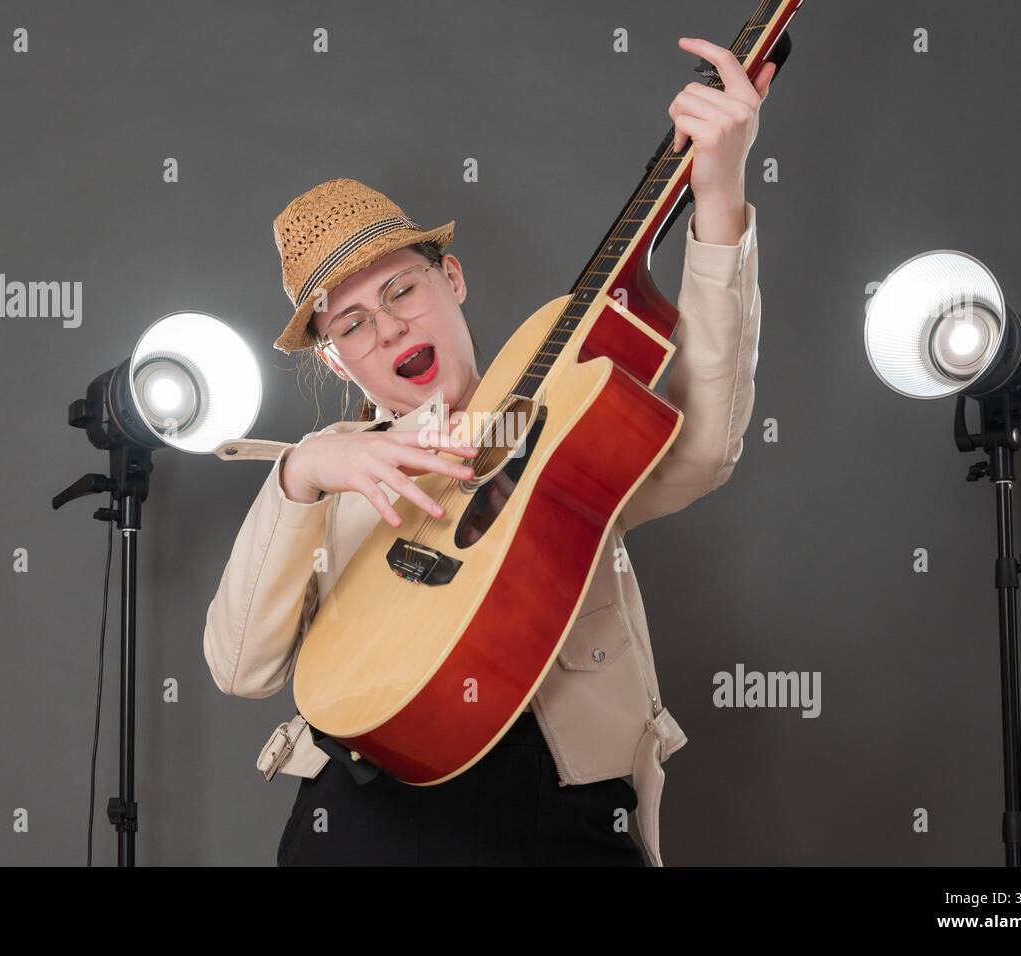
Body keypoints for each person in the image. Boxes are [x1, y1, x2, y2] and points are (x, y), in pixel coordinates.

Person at [204, 36, 773, 866]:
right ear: (334, 360)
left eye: (402, 288)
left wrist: (718, 200)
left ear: (453, 279)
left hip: (567, 805)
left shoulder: (566, 409)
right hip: (375, 812)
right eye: (352, 324)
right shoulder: (329, 468)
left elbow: (704, 450)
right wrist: (300, 475)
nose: (389, 325)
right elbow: (239, 668)